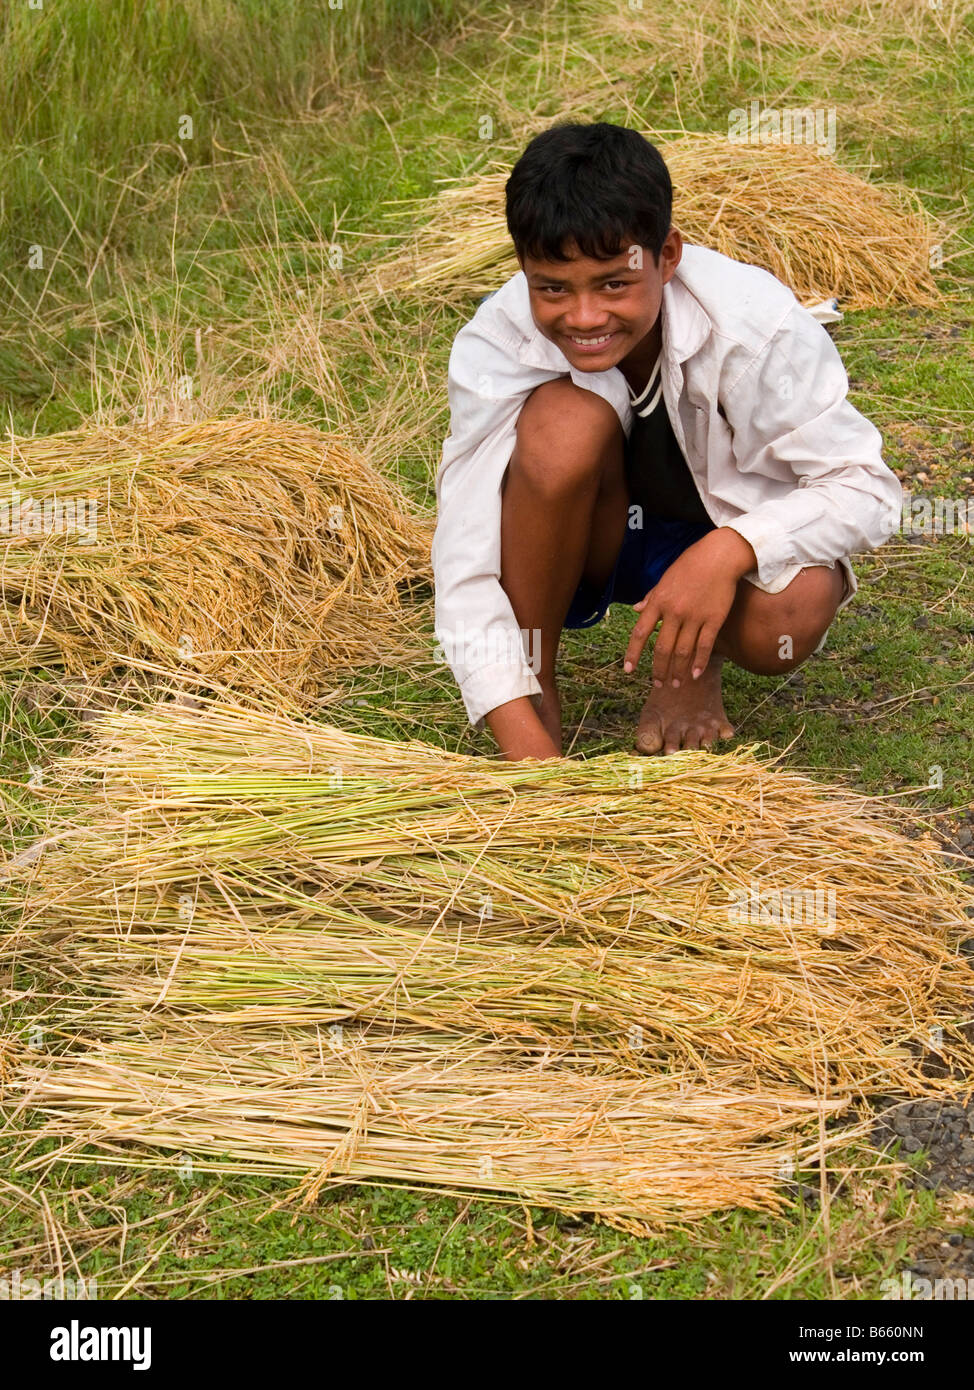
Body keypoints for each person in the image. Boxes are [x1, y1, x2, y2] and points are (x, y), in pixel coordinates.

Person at [432, 122, 901, 760]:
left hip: (717, 542)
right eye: (552, 288)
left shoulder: (754, 326)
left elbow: (868, 488)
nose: (585, 317)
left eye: (614, 284)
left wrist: (730, 550)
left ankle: (689, 663)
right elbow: (464, 546)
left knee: (792, 611)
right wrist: (523, 748)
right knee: (562, 424)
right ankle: (538, 693)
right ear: (523, 271)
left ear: (669, 255)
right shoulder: (498, 342)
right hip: (589, 538)